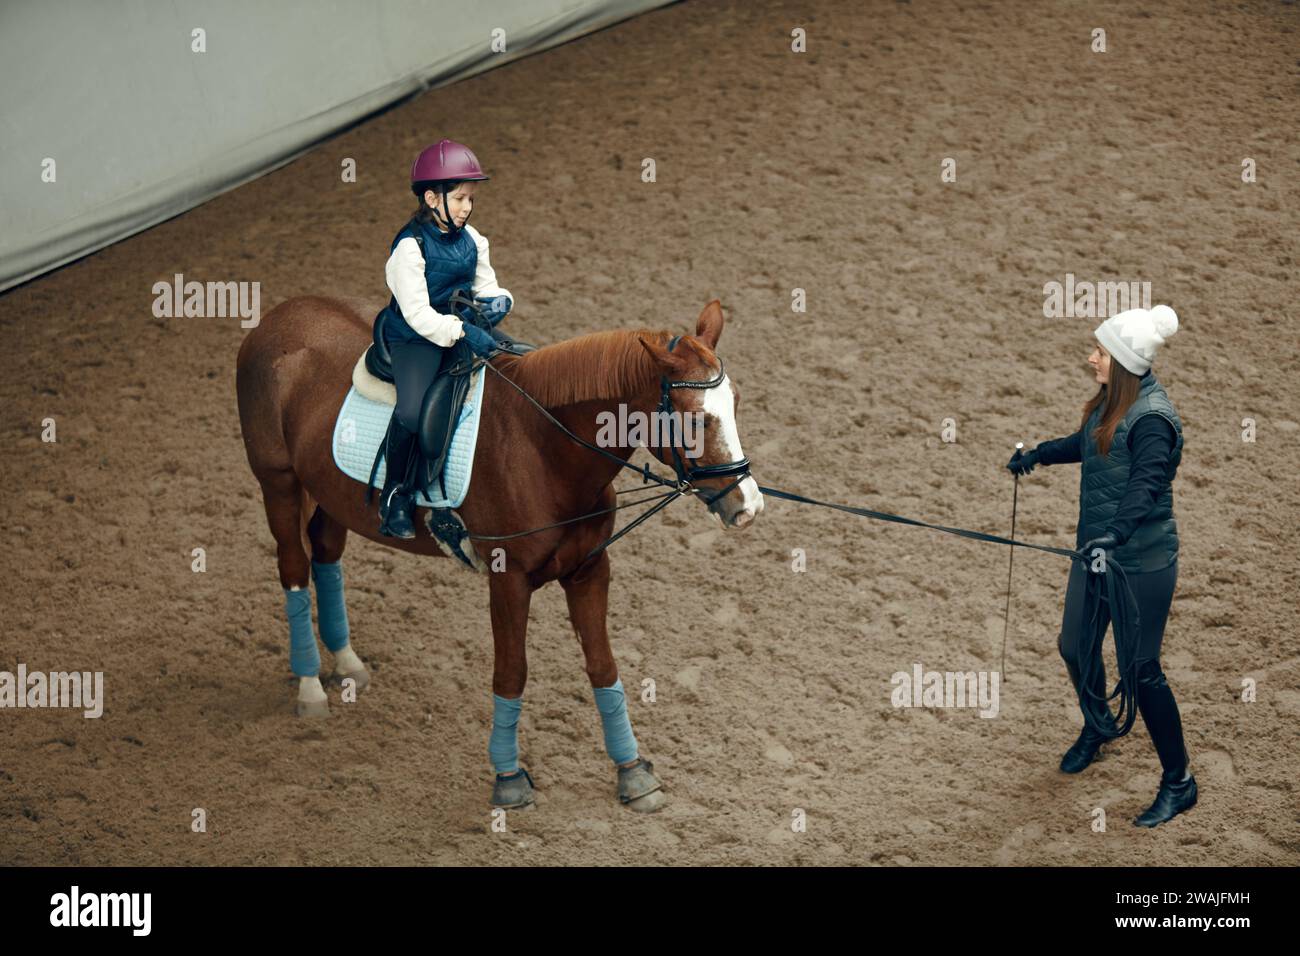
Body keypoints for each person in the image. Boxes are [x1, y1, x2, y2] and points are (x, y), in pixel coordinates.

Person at [1007, 304, 1196, 827]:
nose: (1092, 357)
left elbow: (1146, 485)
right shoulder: (1110, 403)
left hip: (1141, 562)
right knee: (1075, 646)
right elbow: (1093, 448)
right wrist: (1040, 454)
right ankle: (1100, 724)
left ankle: (1179, 782)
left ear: (1123, 362)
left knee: (1142, 671)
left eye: (1100, 352)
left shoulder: (1154, 419)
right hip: (1097, 553)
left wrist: (1116, 534)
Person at [377, 138, 513, 538]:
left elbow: (489, 286)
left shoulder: (475, 240)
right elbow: (419, 315)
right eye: (459, 199)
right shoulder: (409, 248)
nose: (467, 207)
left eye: (470, 198)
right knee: (412, 412)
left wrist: (499, 303)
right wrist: (464, 330)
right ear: (432, 198)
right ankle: (396, 496)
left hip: (462, 327)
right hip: (415, 339)